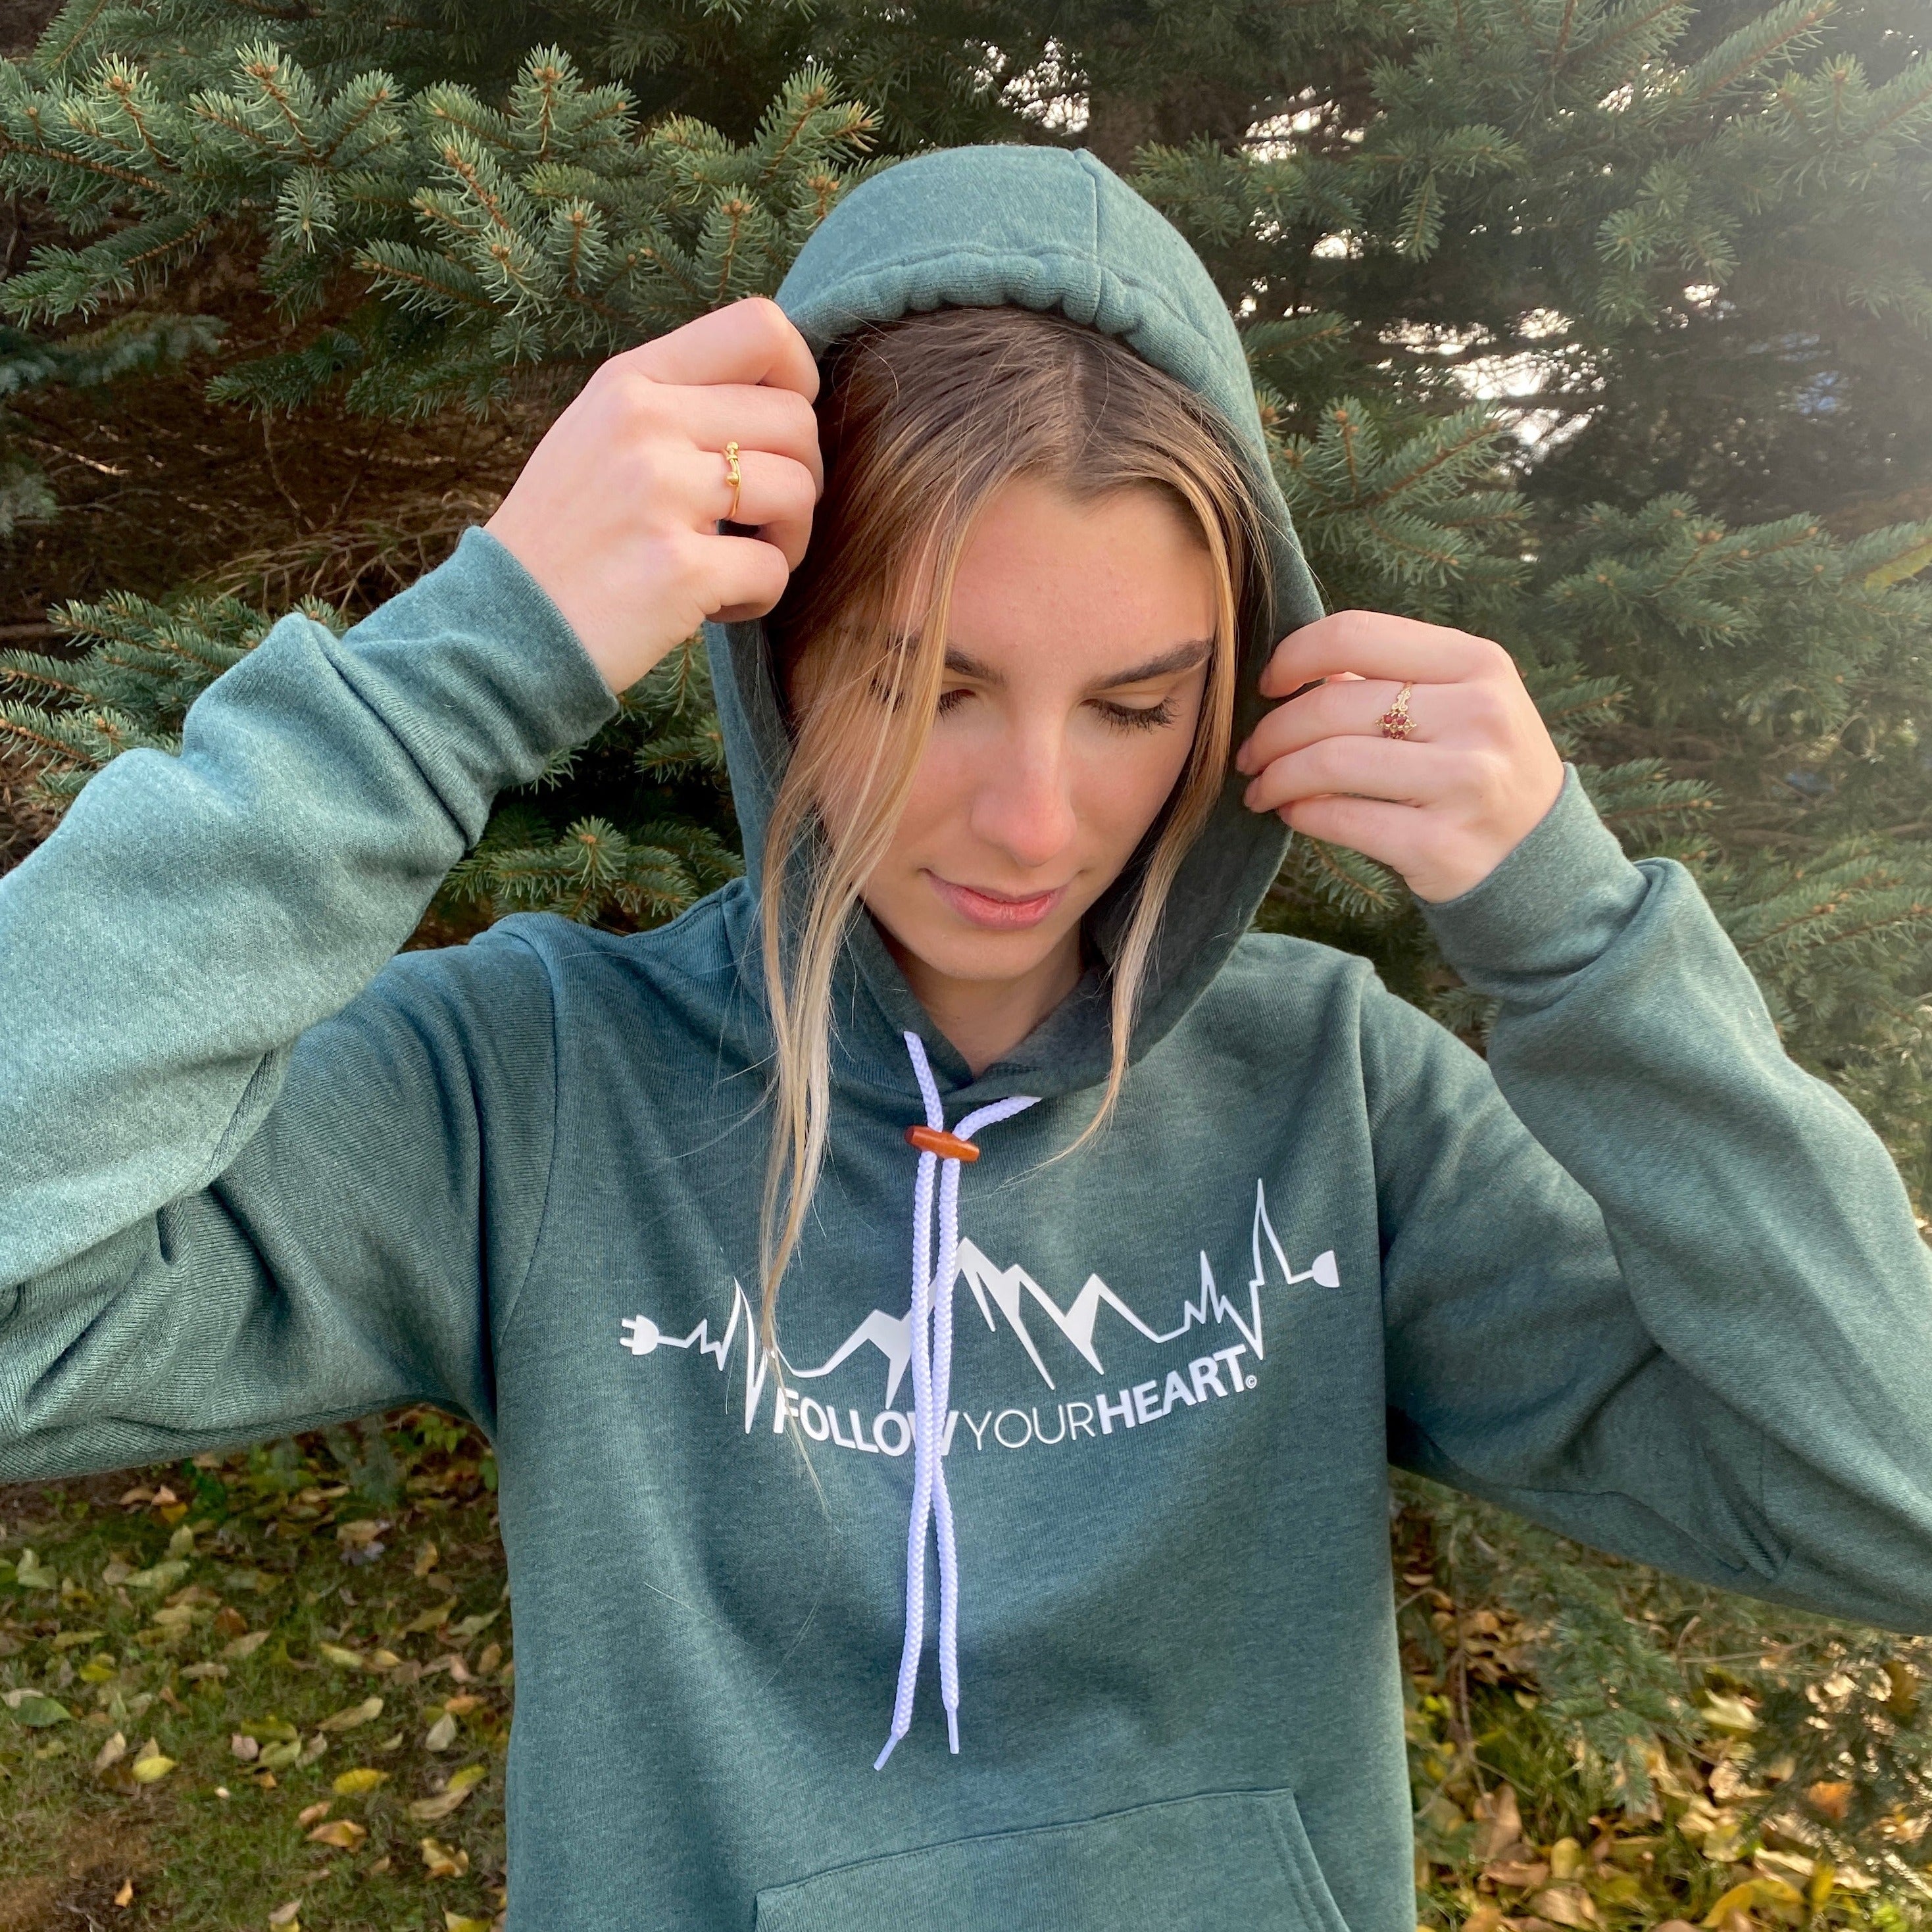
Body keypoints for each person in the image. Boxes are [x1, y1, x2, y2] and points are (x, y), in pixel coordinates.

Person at [3, 141, 1931, 1932]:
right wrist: (461, 672)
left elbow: (1895, 1497)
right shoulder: (531, 1090)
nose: (1032, 820)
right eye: (926, 682)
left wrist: (1581, 943)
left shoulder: (1339, 1102)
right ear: (775, 657)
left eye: (1134, 707)